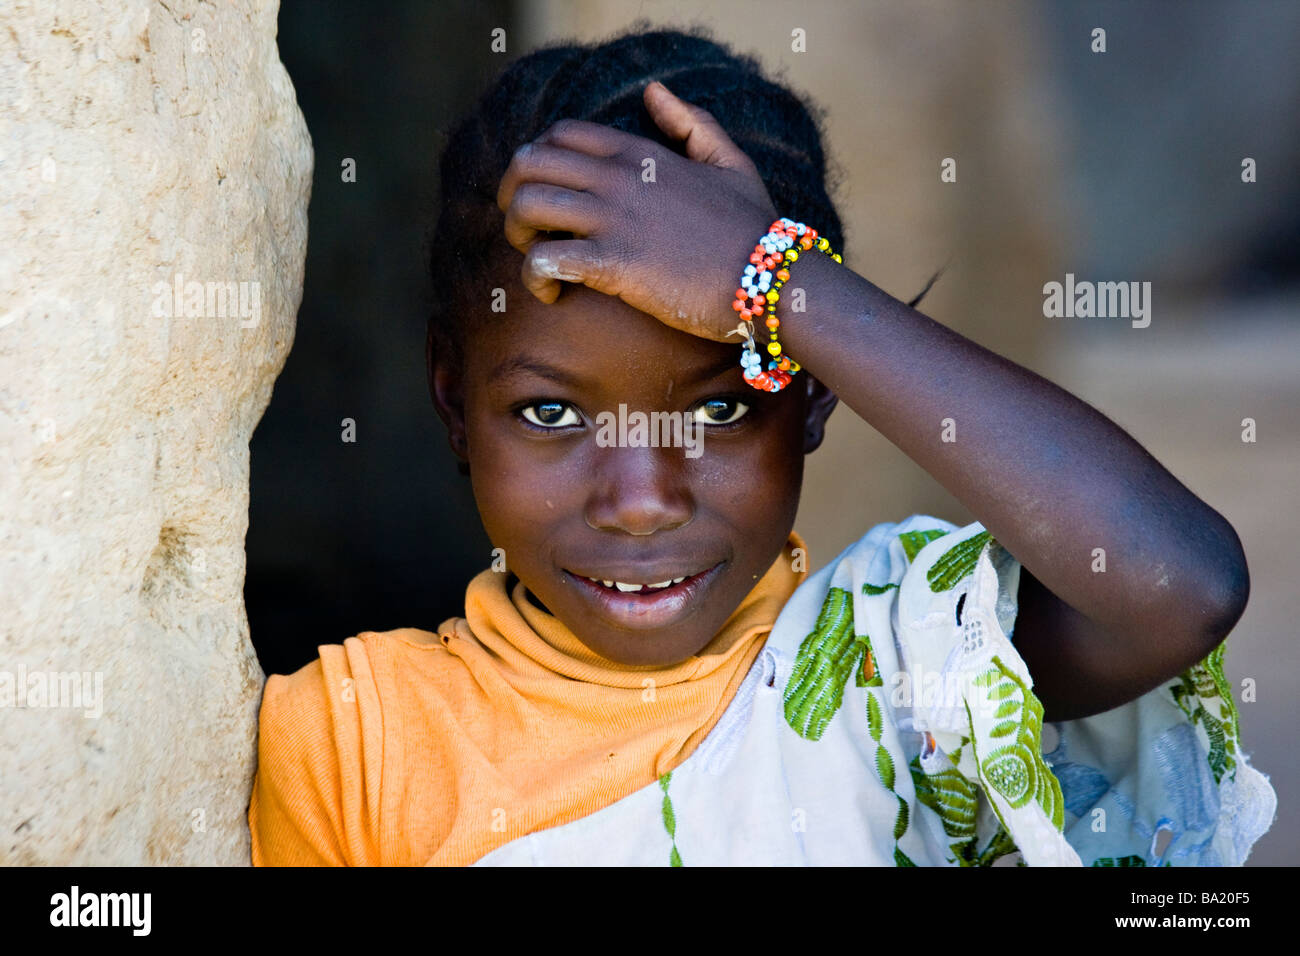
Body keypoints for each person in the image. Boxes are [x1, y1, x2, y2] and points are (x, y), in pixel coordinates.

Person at [248, 26, 1275, 866]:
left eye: (719, 410)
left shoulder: (901, 670)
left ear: (815, 394)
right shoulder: (356, 739)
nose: (641, 498)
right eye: (553, 415)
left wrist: (779, 283)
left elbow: (1175, 583)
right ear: (450, 398)